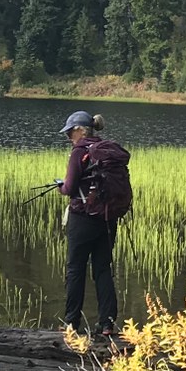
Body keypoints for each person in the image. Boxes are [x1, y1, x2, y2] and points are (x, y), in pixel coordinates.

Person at [56, 110, 130, 337]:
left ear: (80, 130)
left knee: (75, 269)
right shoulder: (108, 150)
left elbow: (69, 188)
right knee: (103, 269)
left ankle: (71, 323)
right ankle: (107, 324)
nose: (69, 137)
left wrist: (60, 187)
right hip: (107, 218)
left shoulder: (80, 152)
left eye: (70, 132)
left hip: (83, 218)